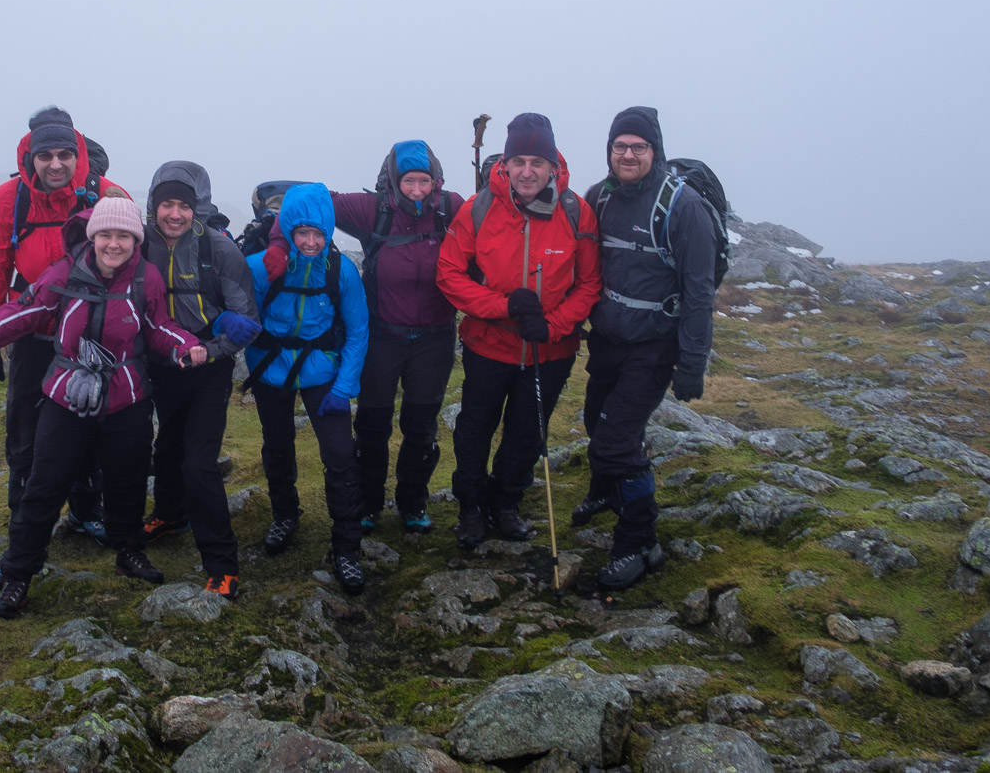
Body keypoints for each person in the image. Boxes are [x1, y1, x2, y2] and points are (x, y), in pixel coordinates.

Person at [0, 196, 208, 619]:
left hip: (127, 394)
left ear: (135, 240)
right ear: (92, 236)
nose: (113, 244)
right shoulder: (65, 272)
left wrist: (185, 345)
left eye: (123, 236)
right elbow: (22, 313)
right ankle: (18, 576)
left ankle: (128, 552)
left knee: (128, 480)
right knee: (44, 485)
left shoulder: (145, 277)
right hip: (66, 393)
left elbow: (157, 327)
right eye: (105, 235)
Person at [260, 141, 463, 534]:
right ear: (393, 179)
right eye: (409, 181)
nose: (417, 190)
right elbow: (308, 200)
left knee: (421, 423)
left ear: (436, 180)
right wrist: (279, 242)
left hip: (435, 338)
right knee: (373, 422)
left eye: (424, 181)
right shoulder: (373, 209)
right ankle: (368, 503)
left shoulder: (450, 207)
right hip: (383, 334)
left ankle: (413, 501)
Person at [436, 113, 601, 549]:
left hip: (549, 350)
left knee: (529, 432)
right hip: (489, 345)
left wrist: (553, 325)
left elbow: (589, 284)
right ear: (505, 164)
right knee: (474, 427)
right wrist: (502, 305)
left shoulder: (574, 210)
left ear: (553, 166)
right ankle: (471, 505)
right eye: (519, 161)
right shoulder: (480, 208)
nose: (528, 172)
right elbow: (449, 274)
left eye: (537, 162)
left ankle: (506, 502)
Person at [579, 106, 717, 590]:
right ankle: (607, 492)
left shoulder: (683, 209)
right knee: (596, 421)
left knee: (616, 439)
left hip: (655, 345)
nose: (628, 154)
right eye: (620, 147)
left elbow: (700, 293)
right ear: (610, 151)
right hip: (609, 337)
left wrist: (692, 363)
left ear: (654, 152)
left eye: (638, 147)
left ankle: (640, 542)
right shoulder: (598, 198)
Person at [0, 106, 123, 540]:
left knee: (91, 419)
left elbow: (133, 266)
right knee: (25, 423)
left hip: (93, 335)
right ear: (30, 158)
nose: (55, 165)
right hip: (33, 333)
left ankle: (86, 510)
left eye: (63, 154)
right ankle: (24, 518)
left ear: (77, 154)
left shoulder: (108, 196)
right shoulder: (5, 202)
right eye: (45, 156)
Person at [139, 161, 261, 600]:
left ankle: (222, 563)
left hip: (208, 367)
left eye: (183, 206)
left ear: (197, 209)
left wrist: (209, 350)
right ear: (153, 206)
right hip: (161, 363)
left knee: (199, 462)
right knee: (167, 444)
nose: (174, 214)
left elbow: (247, 320)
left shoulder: (220, 250)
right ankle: (171, 515)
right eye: (166, 204)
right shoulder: (138, 244)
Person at [244, 183, 371, 595]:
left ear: (330, 231)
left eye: (319, 233)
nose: (312, 242)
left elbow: (358, 331)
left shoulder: (340, 270)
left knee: (339, 455)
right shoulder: (262, 266)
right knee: (277, 445)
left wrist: (345, 387)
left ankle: (347, 547)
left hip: (323, 374)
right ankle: (285, 514)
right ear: (289, 231)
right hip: (270, 371)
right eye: (303, 233)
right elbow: (237, 313)